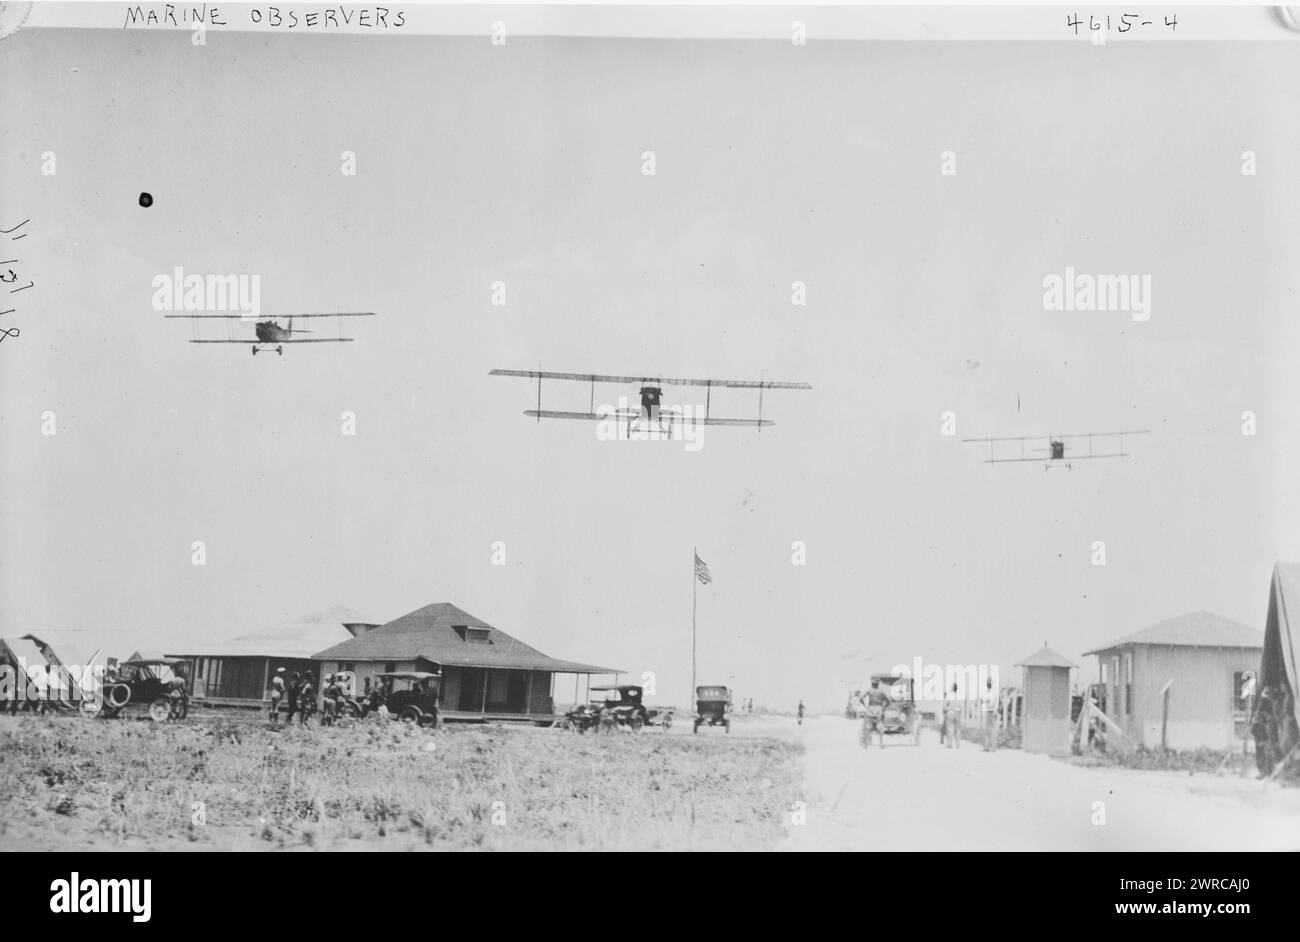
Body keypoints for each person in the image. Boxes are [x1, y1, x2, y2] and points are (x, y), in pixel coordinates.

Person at [861, 679, 888, 748]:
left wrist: (865, 706)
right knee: (880, 726)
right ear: (878, 684)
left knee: (868, 727)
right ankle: (881, 744)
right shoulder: (881, 692)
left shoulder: (869, 690)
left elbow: (861, 698)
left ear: (872, 684)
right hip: (879, 709)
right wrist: (883, 707)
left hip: (870, 709)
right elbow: (888, 701)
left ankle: (865, 744)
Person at [980, 677, 999, 752]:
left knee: (990, 731)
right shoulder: (993, 692)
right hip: (991, 712)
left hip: (991, 712)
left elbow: (990, 702)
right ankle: (989, 747)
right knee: (990, 731)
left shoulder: (991, 692)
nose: (988, 684)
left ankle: (990, 747)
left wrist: (985, 702)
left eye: (988, 682)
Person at [944, 682, 961, 749]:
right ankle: (957, 745)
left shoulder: (949, 695)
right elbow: (961, 707)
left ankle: (950, 744)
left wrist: (946, 710)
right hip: (957, 713)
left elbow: (946, 705)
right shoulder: (959, 696)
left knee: (950, 729)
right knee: (957, 730)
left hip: (950, 713)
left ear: (952, 688)